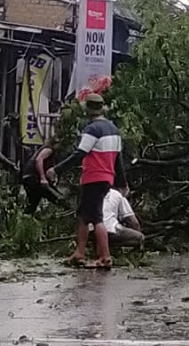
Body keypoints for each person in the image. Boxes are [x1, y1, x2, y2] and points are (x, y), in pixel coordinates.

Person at [48, 94, 127, 269]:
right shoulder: (114, 129)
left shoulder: (92, 129)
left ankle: (105, 256)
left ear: (87, 109)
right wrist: (122, 183)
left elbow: (80, 153)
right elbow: (118, 159)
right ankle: (80, 253)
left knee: (96, 217)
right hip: (106, 177)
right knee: (83, 215)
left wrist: (56, 169)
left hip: (94, 177)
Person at [21, 139, 64, 214]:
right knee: (58, 199)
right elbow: (39, 160)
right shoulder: (49, 149)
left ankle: (25, 216)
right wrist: (43, 178)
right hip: (34, 179)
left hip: (28, 178)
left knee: (32, 204)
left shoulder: (48, 150)